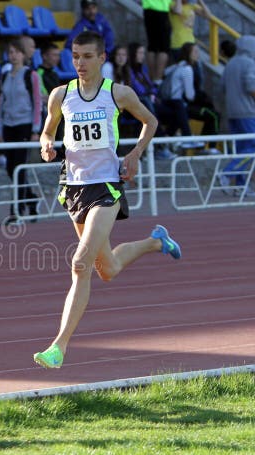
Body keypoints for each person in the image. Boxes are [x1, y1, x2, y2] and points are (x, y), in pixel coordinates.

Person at [34, 31, 181, 369]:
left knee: (80, 264)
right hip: (73, 187)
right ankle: (155, 242)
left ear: (102, 58)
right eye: (75, 56)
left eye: (87, 56)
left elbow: (151, 121)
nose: (80, 63)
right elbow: (47, 130)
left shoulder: (118, 93)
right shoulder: (60, 95)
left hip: (106, 187)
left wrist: (135, 154)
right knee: (108, 269)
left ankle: (58, 347)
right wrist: (46, 144)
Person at [0, 38, 43, 224]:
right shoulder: (5, 76)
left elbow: (37, 102)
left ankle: (16, 210)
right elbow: (2, 104)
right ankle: (31, 197)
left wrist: (35, 129)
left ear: (24, 55)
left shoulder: (30, 75)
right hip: (8, 126)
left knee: (19, 167)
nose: (13, 55)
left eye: (17, 52)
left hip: (24, 125)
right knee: (11, 168)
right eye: (11, 52)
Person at [221, 34, 255, 194]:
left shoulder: (230, 62)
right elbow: (249, 84)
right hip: (246, 111)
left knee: (241, 149)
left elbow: (222, 86)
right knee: (254, 146)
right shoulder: (249, 63)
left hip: (232, 112)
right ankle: (228, 172)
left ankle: (240, 185)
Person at [142, 0, 173, 82]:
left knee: (152, 46)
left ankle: (152, 79)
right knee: (164, 48)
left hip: (148, 7)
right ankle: (158, 79)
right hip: (161, 8)